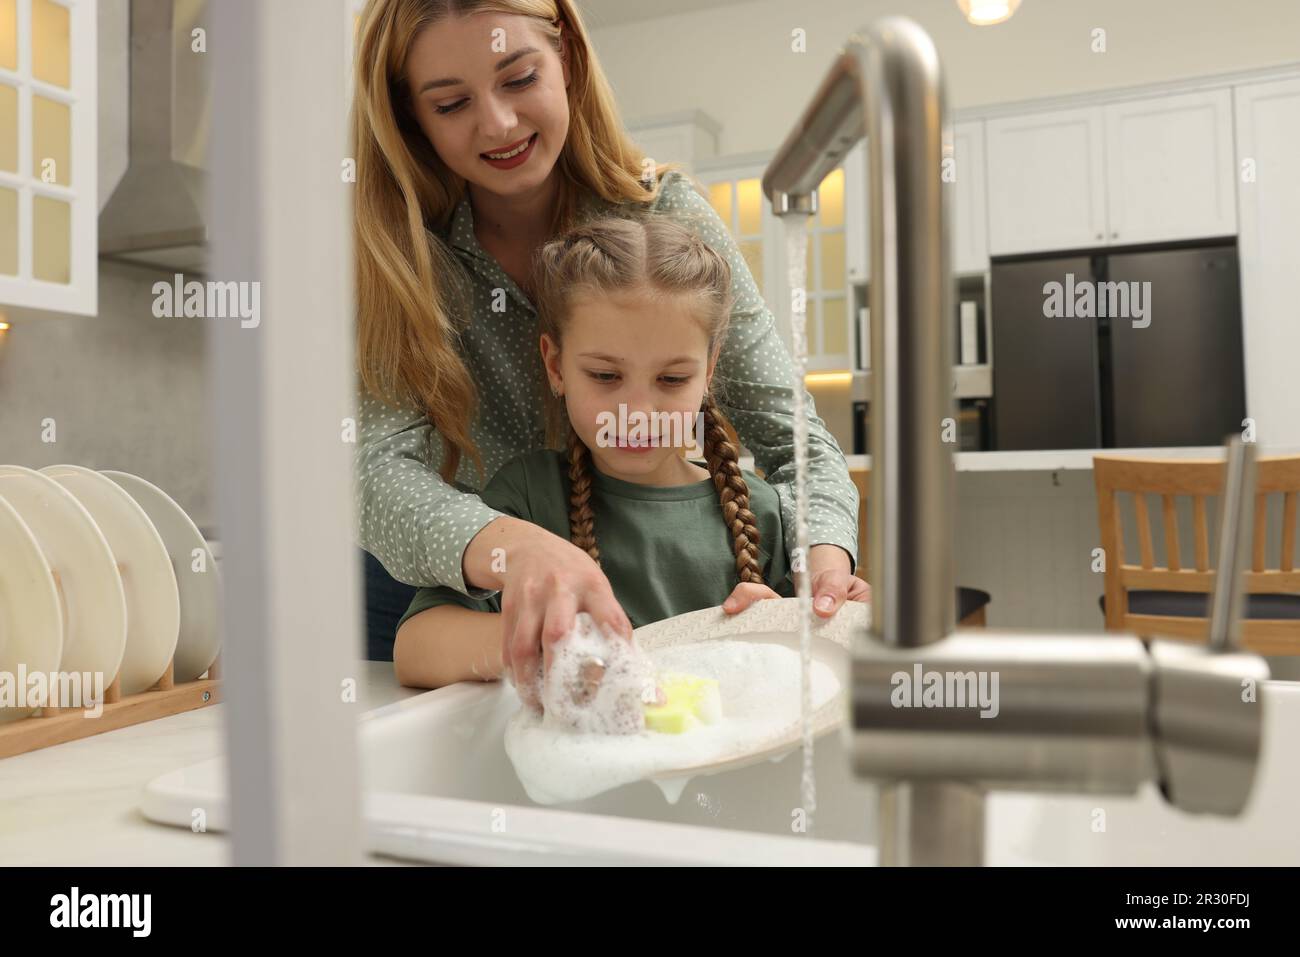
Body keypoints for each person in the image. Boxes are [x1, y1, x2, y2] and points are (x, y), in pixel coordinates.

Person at [352, 0, 863, 709]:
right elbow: (373, 470)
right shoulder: (395, 258)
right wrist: (515, 551)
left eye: (519, 77)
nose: (497, 123)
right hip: (439, 595)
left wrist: (823, 567)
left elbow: (790, 432)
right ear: (411, 117)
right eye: (450, 103)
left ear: (569, 60)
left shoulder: (666, 217)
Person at [393, 216, 870, 689]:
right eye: (605, 376)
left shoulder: (763, 512)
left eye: (671, 379)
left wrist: (823, 625)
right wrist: (562, 643)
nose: (637, 412)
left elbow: (811, 683)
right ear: (555, 366)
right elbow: (417, 648)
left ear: (708, 371)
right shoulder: (529, 498)